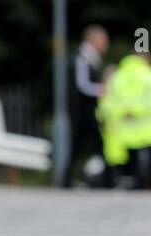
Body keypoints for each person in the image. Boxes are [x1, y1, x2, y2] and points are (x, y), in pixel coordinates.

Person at [104, 52, 151, 189]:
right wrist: (137, 111)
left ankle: (138, 187)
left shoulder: (118, 76)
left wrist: (125, 112)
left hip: (128, 128)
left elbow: (109, 101)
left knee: (134, 161)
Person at [59, 25, 108, 188]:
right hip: (83, 109)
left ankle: (66, 179)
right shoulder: (83, 58)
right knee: (95, 144)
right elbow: (82, 85)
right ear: (94, 40)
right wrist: (100, 89)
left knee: (80, 146)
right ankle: (109, 179)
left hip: (87, 108)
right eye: (103, 40)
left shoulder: (91, 58)